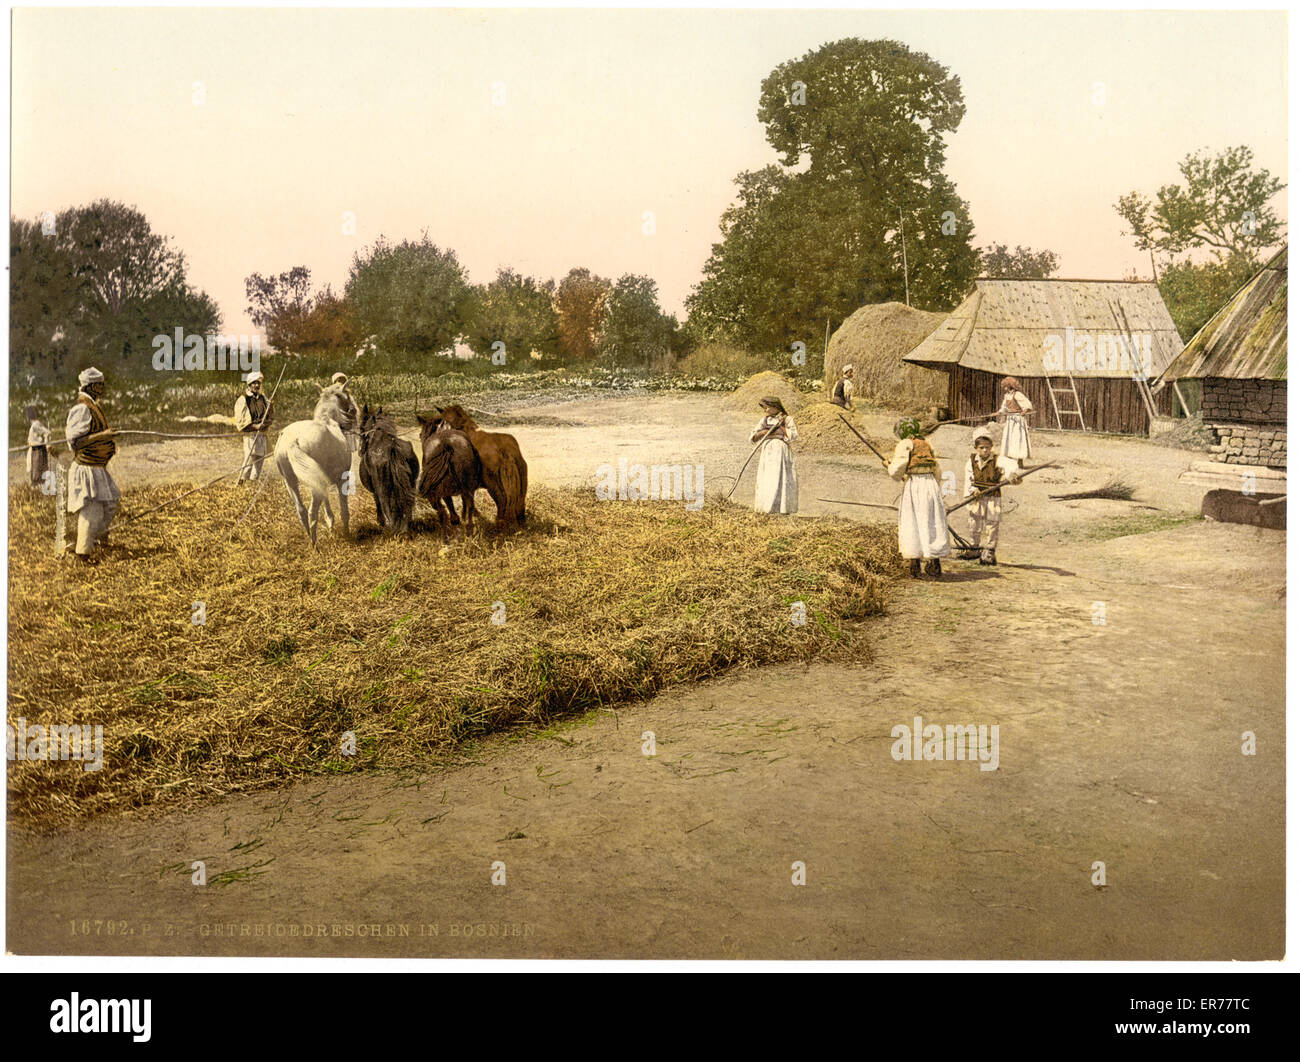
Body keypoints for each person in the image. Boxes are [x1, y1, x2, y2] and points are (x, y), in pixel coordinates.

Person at [64, 367, 119, 562]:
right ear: (91, 386)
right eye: (100, 385)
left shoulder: (93, 406)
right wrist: (104, 436)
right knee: (91, 511)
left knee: (110, 503)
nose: (102, 388)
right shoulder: (81, 409)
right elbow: (77, 442)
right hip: (86, 468)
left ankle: (97, 539)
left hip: (97, 468)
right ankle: (83, 554)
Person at [887, 416, 950, 579]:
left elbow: (896, 470)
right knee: (931, 521)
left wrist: (888, 466)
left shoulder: (905, 444)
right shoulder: (927, 444)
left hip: (914, 486)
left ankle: (914, 563)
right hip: (930, 485)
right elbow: (937, 469)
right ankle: (934, 561)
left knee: (912, 521)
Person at [961, 425, 1022, 566]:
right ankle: (974, 547)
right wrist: (973, 490)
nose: (985, 450)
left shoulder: (997, 459)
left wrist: (1012, 475)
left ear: (991, 447)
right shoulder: (971, 462)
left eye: (987, 447)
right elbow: (969, 478)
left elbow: (1011, 466)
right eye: (981, 447)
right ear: (976, 448)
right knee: (974, 523)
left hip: (993, 496)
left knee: (992, 524)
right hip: (977, 497)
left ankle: (989, 550)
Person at [751, 397, 798, 514]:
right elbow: (753, 436)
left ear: (775, 407)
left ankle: (781, 509)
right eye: (764, 407)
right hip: (768, 452)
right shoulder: (764, 420)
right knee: (768, 478)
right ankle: (766, 508)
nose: (765, 410)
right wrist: (763, 432)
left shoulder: (787, 419)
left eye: (767, 407)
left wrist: (781, 426)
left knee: (780, 478)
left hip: (781, 451)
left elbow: (794, 435)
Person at [234, 371, 272, 481]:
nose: (257, 385)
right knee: (249, 462)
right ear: (249, 384)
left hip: (261, 435)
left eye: (258, 383)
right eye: (254, 383)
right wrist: (255, 426)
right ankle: (241, 483)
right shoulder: (243, 399)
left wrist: (269, 412)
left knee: (259, 463)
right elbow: (241, 423)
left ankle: (252, 485)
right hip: (250, 435)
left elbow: (268, 416)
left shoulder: (262, 398)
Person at [997, 376, 1033, 466]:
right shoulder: (1007, 396)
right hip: (1010, 420)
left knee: (1018, 439)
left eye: (1006, 386)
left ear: (1010, 386)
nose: (1004, 388)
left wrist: (1024, 411)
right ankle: (1010, 461)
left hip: (1018, 420)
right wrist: (998, 412)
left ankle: (1020, 461)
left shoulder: (1017, 394)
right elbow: (1004, 408)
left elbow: (1028, 405)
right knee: (1009, 439)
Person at [25, 404, 50, 491]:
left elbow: (47, 432)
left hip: (37, 450)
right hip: (35, 449)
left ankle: (38, 491)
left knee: (37, 472)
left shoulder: (36, 424)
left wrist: (46, 443)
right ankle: (38, 491)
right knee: (35, 471)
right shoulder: (34, 425)